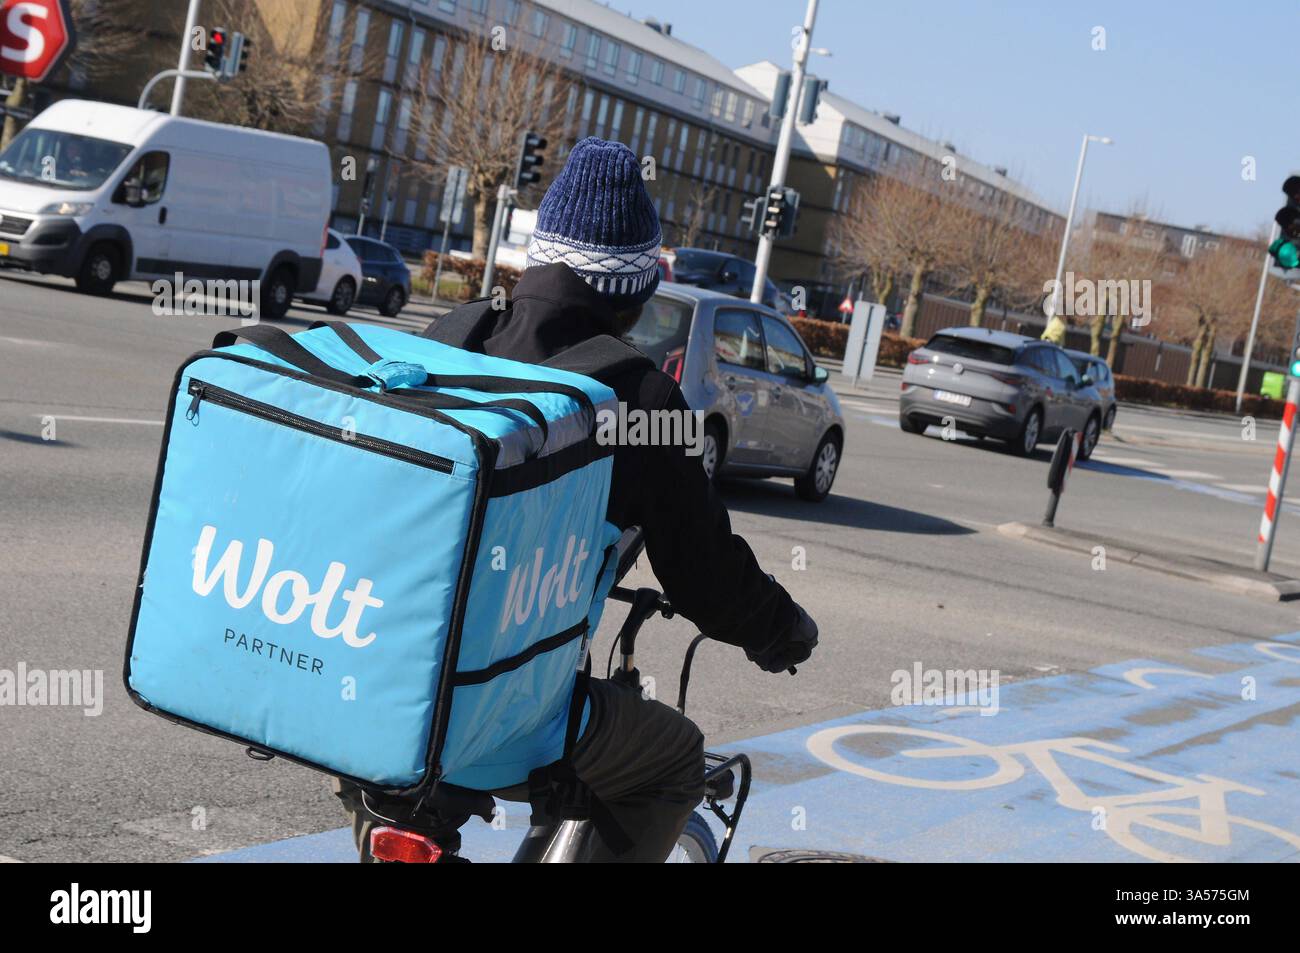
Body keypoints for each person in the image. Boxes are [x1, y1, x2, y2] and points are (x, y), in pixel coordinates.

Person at [335, 137, 818, 862]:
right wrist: (779, 629)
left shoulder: (449, 339)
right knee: (673, 761)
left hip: (371, 688)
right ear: (634, 292)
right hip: (501, 719)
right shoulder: (642, 396)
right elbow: (704, 575)